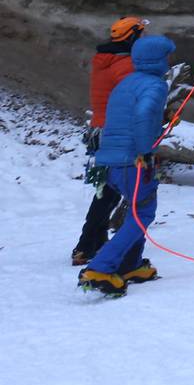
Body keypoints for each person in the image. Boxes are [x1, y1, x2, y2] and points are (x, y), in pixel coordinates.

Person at [78, 34, 176, 297]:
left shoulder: (126, 83)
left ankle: (130, 265)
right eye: (166, 56)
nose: (169, 61)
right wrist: (145, 150)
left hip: (109, 160)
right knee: (142, 214)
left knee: (136, 210)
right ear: (157, 59)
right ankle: (100, 268)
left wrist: (162, 118)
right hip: (133, 162)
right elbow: (143, 114)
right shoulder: (155, 85)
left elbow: (127, 115)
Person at [70, 16, 147, 265]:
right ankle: (86, 245)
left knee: (107, 188)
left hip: (101, 132)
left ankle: (95, 241)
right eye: (141, 34)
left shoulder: (105, 61)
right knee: (111, 191)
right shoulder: (124, 65)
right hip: (117, 134)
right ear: (133, 36)